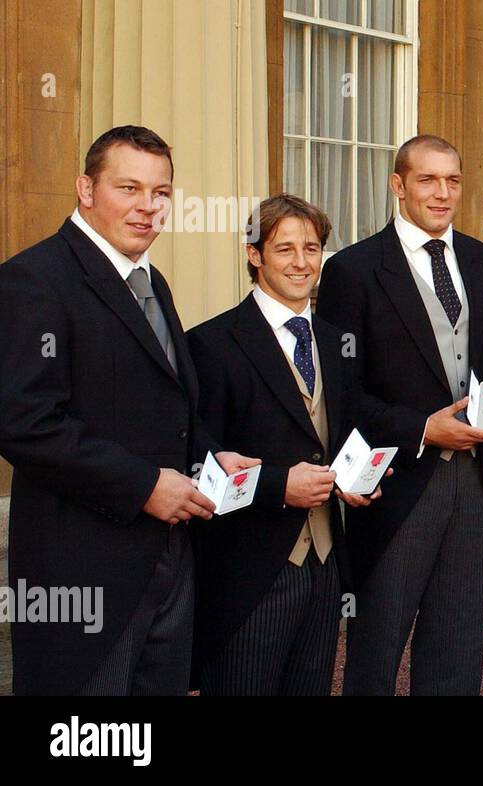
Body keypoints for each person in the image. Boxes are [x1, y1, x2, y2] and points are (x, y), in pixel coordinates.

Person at [0, 125, 258, 695]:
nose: (148, 207)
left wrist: (210, 457)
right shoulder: (33, 280)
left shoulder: (152, 281)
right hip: (83, 576)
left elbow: (161, 403)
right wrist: (143, 485)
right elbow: (24, 424)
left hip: (170, 562)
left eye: (161, 192)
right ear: (85, 190)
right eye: (129, 188)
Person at [315, 135, 483, 695]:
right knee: (375, 657)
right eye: (427, 180)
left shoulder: (481, 260)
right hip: (396, 487)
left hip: (473, 487)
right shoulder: (353, 270)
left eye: (452, 180)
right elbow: (342, 394)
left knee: (456, 655)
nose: (442, 192)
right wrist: (423, 428)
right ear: (398, 185)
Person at [186, 194, 402, 695]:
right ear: (254, 255)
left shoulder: (333, 341)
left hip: (326, 566)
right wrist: (278, 487)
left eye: (311, 247)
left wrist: (356, 479)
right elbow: (199, 466)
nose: (301, 262)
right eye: (284, 249)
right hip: (248, 572)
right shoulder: (212, 344)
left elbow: (336, 432)